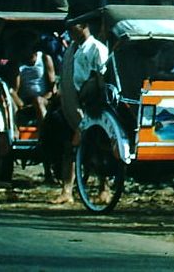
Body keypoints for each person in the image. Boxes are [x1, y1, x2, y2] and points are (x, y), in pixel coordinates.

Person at [53, 11, 109, 204]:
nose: (70, 30)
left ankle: (104, 188)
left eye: (73, 26)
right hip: (72, 103)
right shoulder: (72, 50)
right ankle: (66, 190)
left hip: (92, 105)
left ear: (84, 25)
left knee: (98, 149)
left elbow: (101, 78)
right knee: (68, 147)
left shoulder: (97, 49)